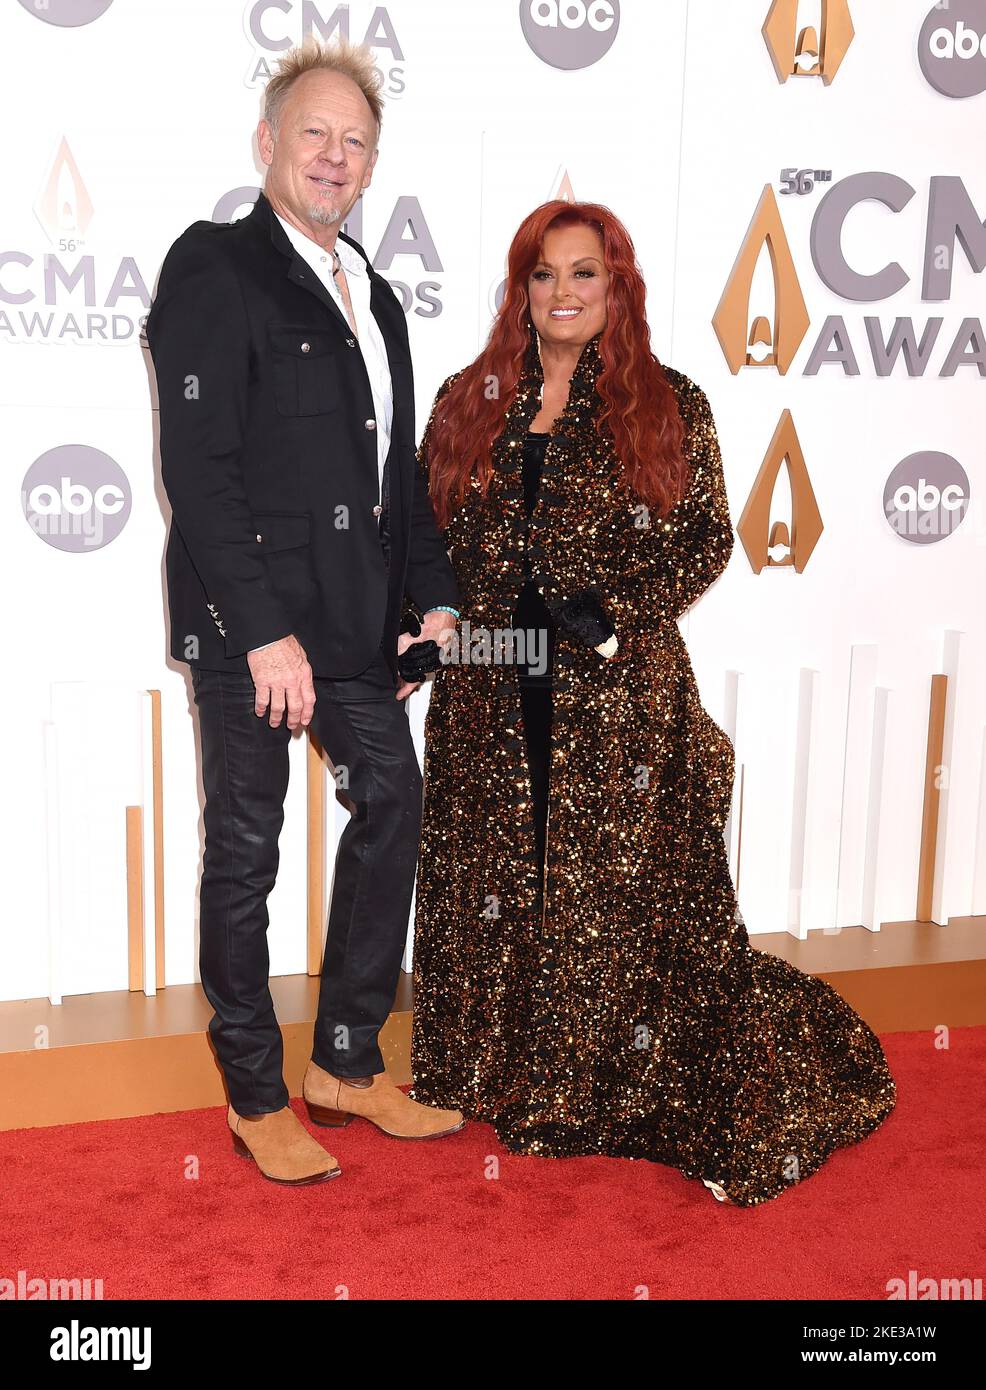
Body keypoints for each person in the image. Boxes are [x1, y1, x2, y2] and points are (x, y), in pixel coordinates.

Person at [408, 200, 896, 1207]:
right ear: (519, 287)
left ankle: (589, 1085)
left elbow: (705, 535)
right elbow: (421, 532)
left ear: (616, 285)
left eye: (582, 274)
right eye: (542, 275)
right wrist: (426, 621)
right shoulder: (469, 397)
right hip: (489, 694)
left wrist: (616, 610)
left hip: (616, 700)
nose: (560, 294)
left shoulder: (665, 400)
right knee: (498, 875)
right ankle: (491, 1071)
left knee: (605, 898)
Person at [145, 37, 464, 1187]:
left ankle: (343, 1057)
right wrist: (261, 628)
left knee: (395, 802)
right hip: (251, 631)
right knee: (246, 853)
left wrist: (429, 595)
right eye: (314, 134)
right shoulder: (216, 266)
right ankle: (253, 1093)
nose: (334, 157)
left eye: (356, 143)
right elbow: (201, 461)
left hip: (349, 627)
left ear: (371, 164)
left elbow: (398, 478)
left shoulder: (372, 292)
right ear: (268, 143)